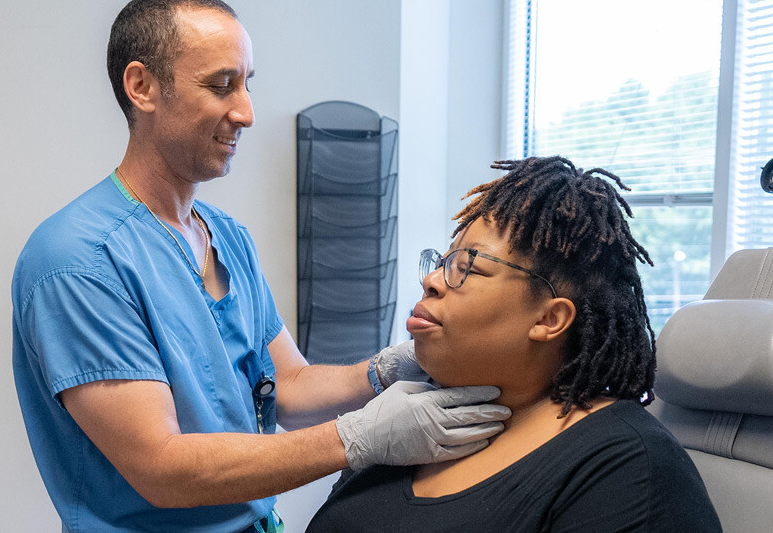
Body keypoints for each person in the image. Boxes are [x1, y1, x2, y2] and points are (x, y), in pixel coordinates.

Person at [11, 0, 509, 532]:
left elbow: (288, 387)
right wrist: (359, 437)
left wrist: (384, 371)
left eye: (247, 83)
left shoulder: (226, 237)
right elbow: (162, 467)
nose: (246, 112)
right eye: (221, 85)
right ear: (142, 87)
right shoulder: (79, 261)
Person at [308, 156, 722, 532]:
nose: (432, 280)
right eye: (443, 262)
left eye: (467, 267)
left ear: (548, 319)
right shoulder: (406, 426)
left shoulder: (628, 470)